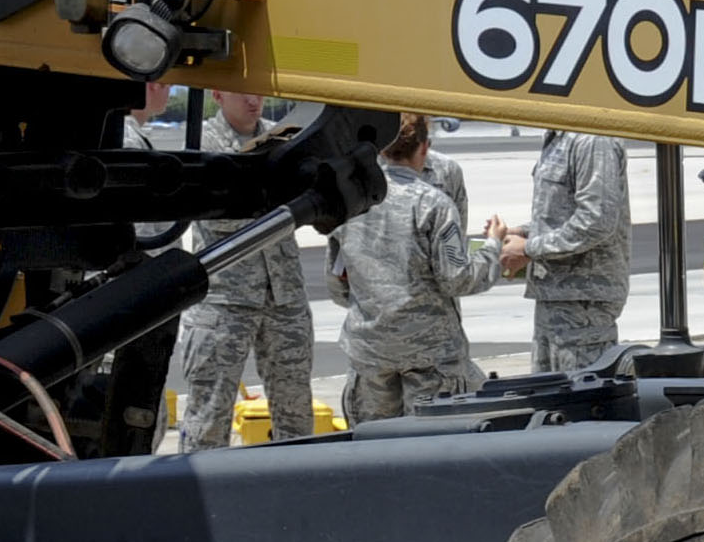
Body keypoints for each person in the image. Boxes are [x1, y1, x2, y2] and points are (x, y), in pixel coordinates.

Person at [164, 91, 317, 450]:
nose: (254, 101)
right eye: (243, 93)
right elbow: (218, 218)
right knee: (210, 417)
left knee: (296, 415)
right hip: (225, 299)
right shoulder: (203, 146)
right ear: (218, 95)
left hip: (284, 298)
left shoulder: (284, 143)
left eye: (259, 93)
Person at [329, 112, 498, 425]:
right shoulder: (433, 204)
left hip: (371, 352)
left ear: (381, 150)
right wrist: (492, 248)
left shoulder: (353, 200)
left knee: (373, 445)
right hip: (429, 353)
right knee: (432, 446)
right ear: (423, 148)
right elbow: (456, 278)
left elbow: (339, 283)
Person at [501, 128, 630, 372]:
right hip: (556, 298)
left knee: (580, 398)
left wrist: (529, 249)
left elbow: (597, 221)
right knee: (549, 398)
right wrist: (523, 233)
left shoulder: (592, 139)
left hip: (584, 304)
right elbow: (564, 215)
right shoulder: (557, 137)